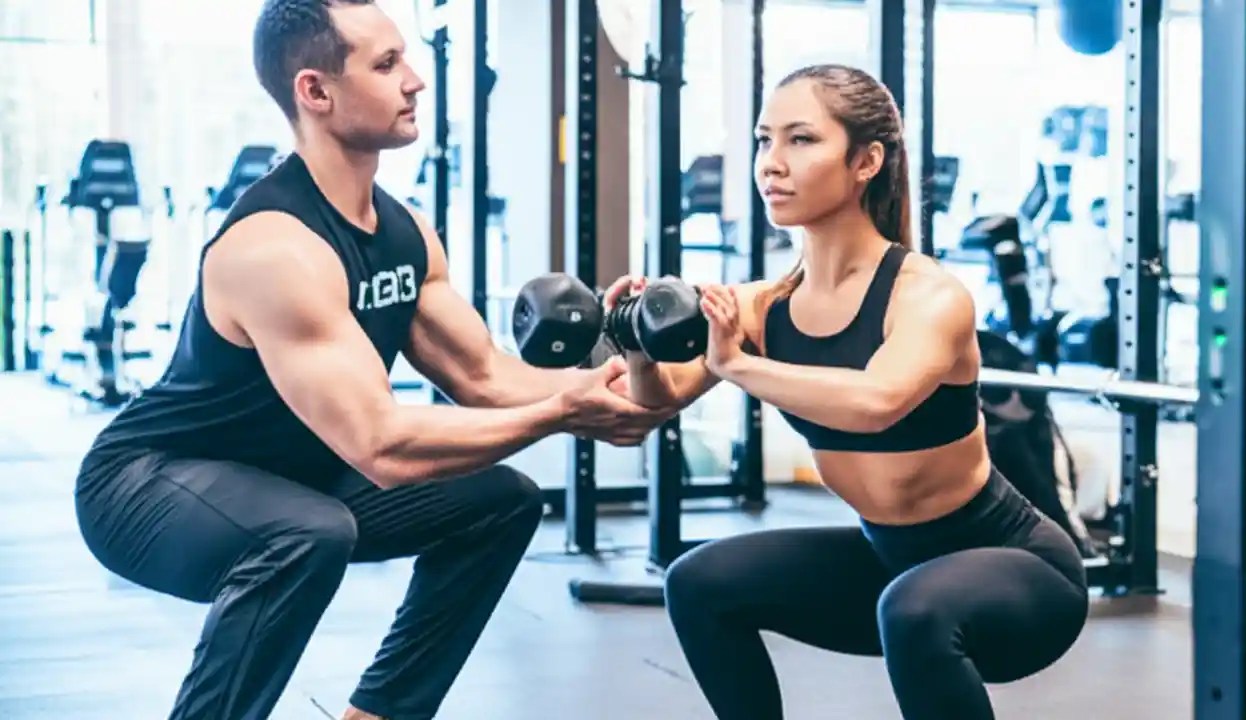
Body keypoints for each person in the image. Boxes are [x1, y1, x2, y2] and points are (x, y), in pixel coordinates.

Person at [72, 2, 667, 719]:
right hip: (148, 483)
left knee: (503, 501)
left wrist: (614, 359)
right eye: (386, 65)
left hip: (297, 477)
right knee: (307, 533)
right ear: (315, 92)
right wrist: (561, 414)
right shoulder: (276, 247)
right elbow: (381, 446)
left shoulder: (405, 231)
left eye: (405, 58)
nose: (415, 80)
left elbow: (484, 377)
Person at [604, 64, 1089, 720]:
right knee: (697, 582)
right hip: (890, 564)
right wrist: (635, 344)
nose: (771, 163)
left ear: (866, 161)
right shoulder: (763, 307)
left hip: (1018, 572)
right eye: (762, 140)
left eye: (800, 140)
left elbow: (877, 400)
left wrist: (737, 366)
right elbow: (649, 407)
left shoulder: (927, 296)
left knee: (915, 608)